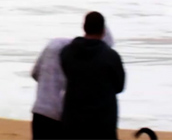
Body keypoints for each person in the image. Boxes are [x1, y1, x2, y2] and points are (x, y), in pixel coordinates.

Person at [31, 27, 114, 139]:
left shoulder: (53, 43)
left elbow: (35, 73)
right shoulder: (82, 58)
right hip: (63, 116)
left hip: (40, 110)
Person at [60, 12, 126, 140]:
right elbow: (119, 86)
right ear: (103, 31)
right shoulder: (111, 56)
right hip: (103, 122)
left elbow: (65, 73)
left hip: (73, 120)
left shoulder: (67, 52)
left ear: (84, 27)